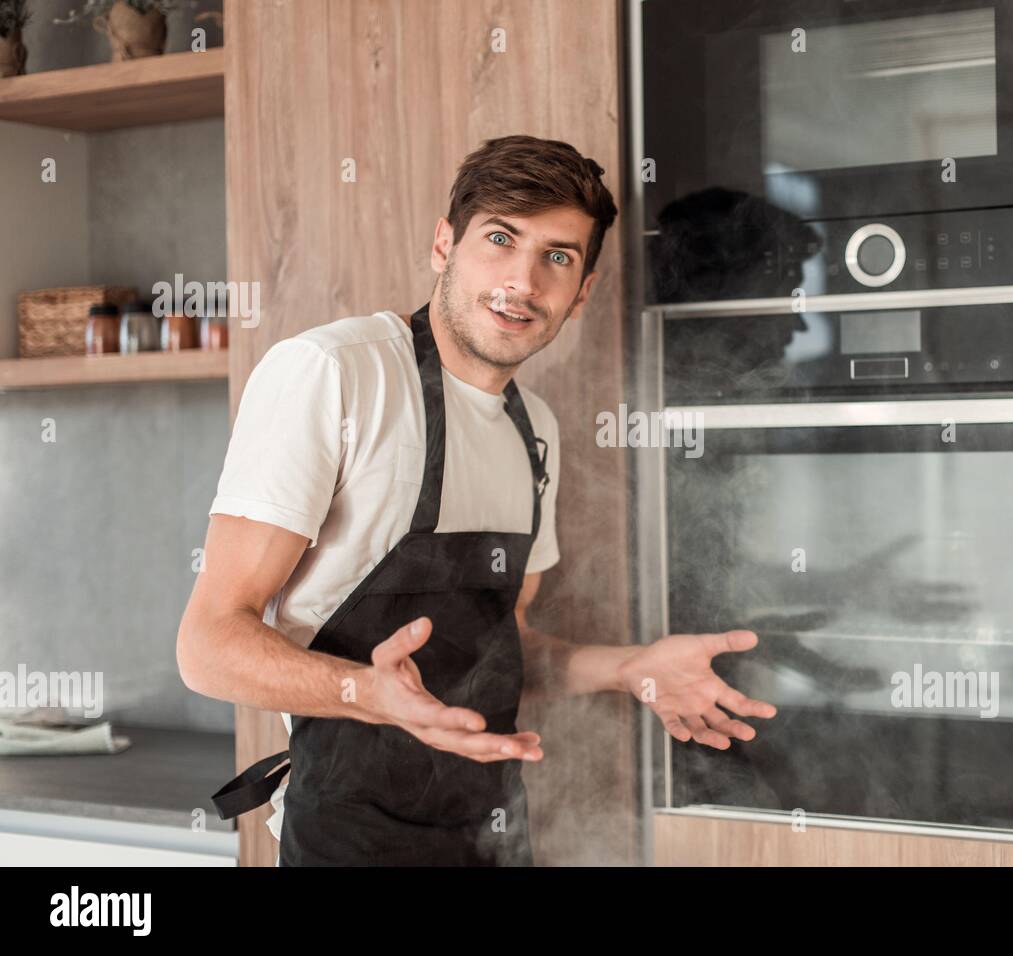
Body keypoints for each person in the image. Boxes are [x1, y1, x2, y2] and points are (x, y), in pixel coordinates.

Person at [178, 134, 776, 866]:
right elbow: (207, 645)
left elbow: (502, 648)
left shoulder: (537, 434)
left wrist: (631, 668)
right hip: (346, 838)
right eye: (500, 239)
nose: (521, 282)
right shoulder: (335, 374)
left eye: (557, 257)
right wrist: (366, 691)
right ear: (444, 245)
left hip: (490, 835)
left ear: (582, 290)